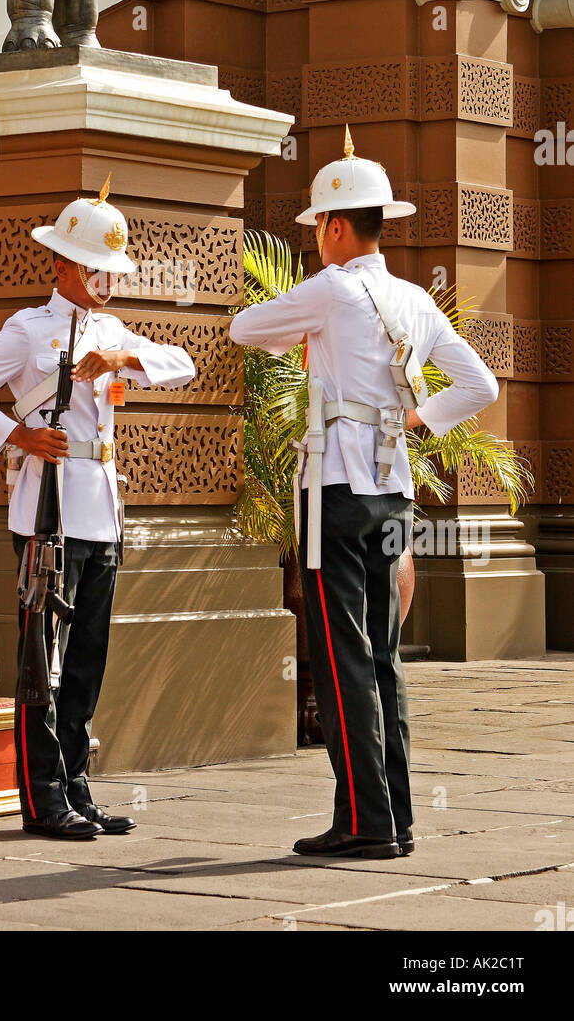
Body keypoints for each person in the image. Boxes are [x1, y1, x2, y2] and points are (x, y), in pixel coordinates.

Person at [229, 128, 498, 859]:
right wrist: (419, 418)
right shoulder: (414, 299)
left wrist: (302, 335)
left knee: (343, 657)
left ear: (337, 227)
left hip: (336, 492)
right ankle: (395, 816)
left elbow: (245, 327)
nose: (317, 238)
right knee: (383, 655)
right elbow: (480, 385)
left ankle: (363, 823)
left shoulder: (331, 290)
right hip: (394, 494)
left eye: (319, 225)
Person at [0, 176, 195, 840]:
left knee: (86, 660)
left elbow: (183, 365)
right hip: (45, 516)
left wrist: (122, 356)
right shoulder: (28, 331)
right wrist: (18, 436)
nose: (105, 280)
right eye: (93, 267)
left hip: (100, 513)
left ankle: (78, 789)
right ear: (61, 265)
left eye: (110, 269)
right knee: (41, 665)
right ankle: (43, 798)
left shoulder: (111, 330)